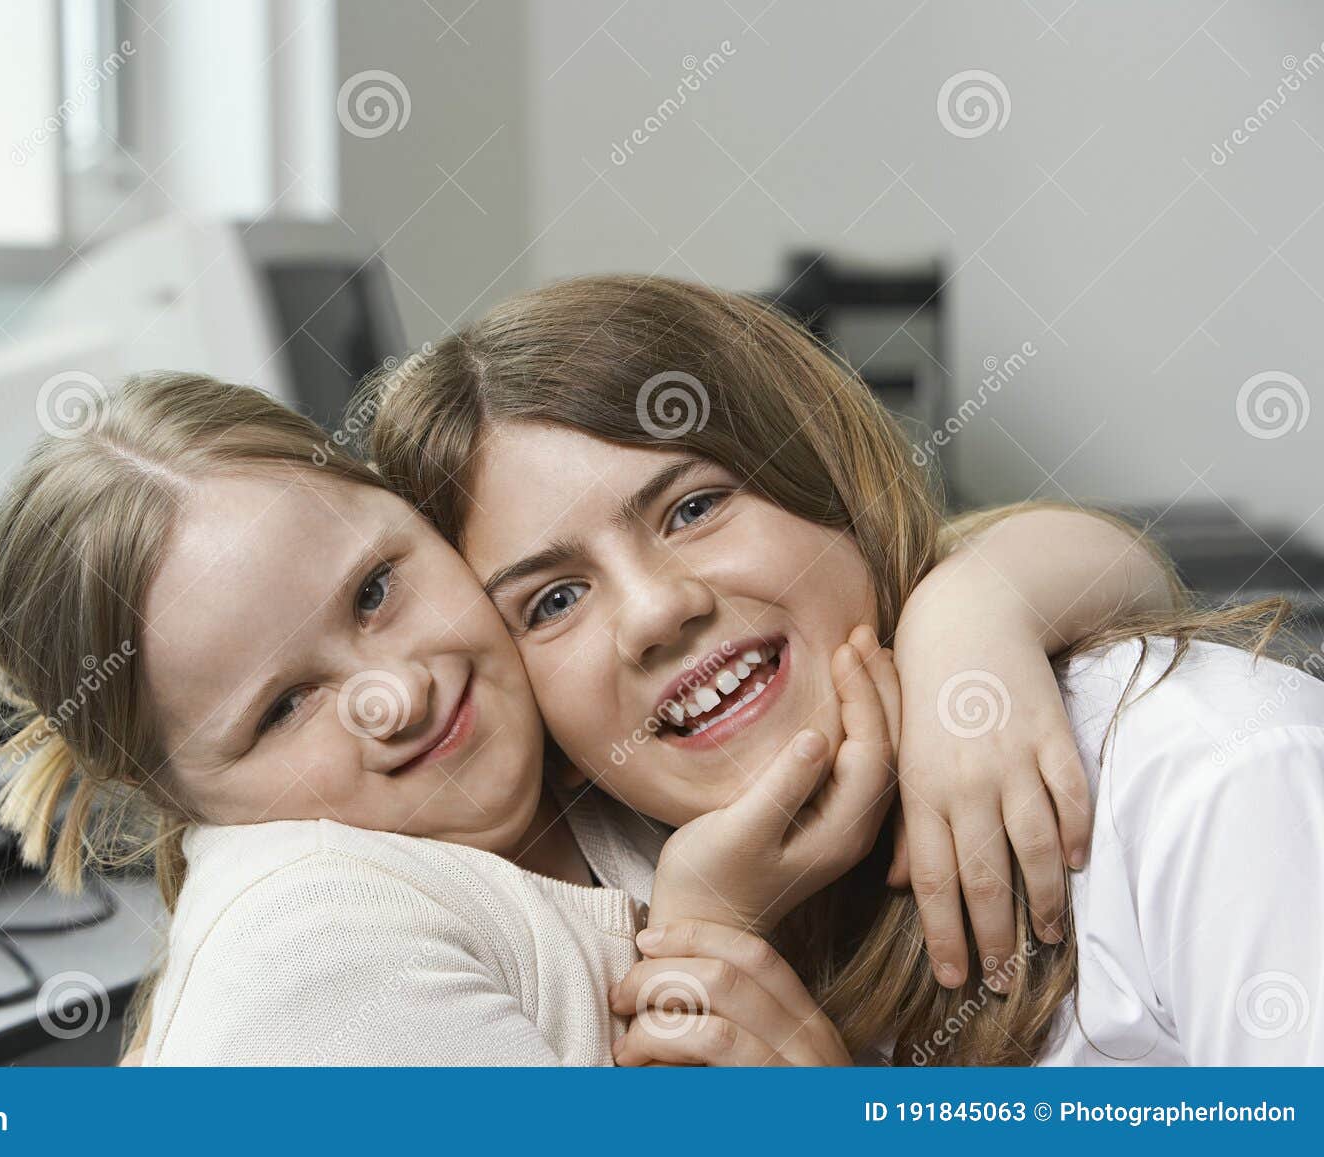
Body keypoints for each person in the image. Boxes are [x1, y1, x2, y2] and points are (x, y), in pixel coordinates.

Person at [365, 273, 1323, 1064]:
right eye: (554, 602)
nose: (658, 611)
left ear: (836, 487)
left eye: (694, 507)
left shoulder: (1206, 774)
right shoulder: (593, 931)